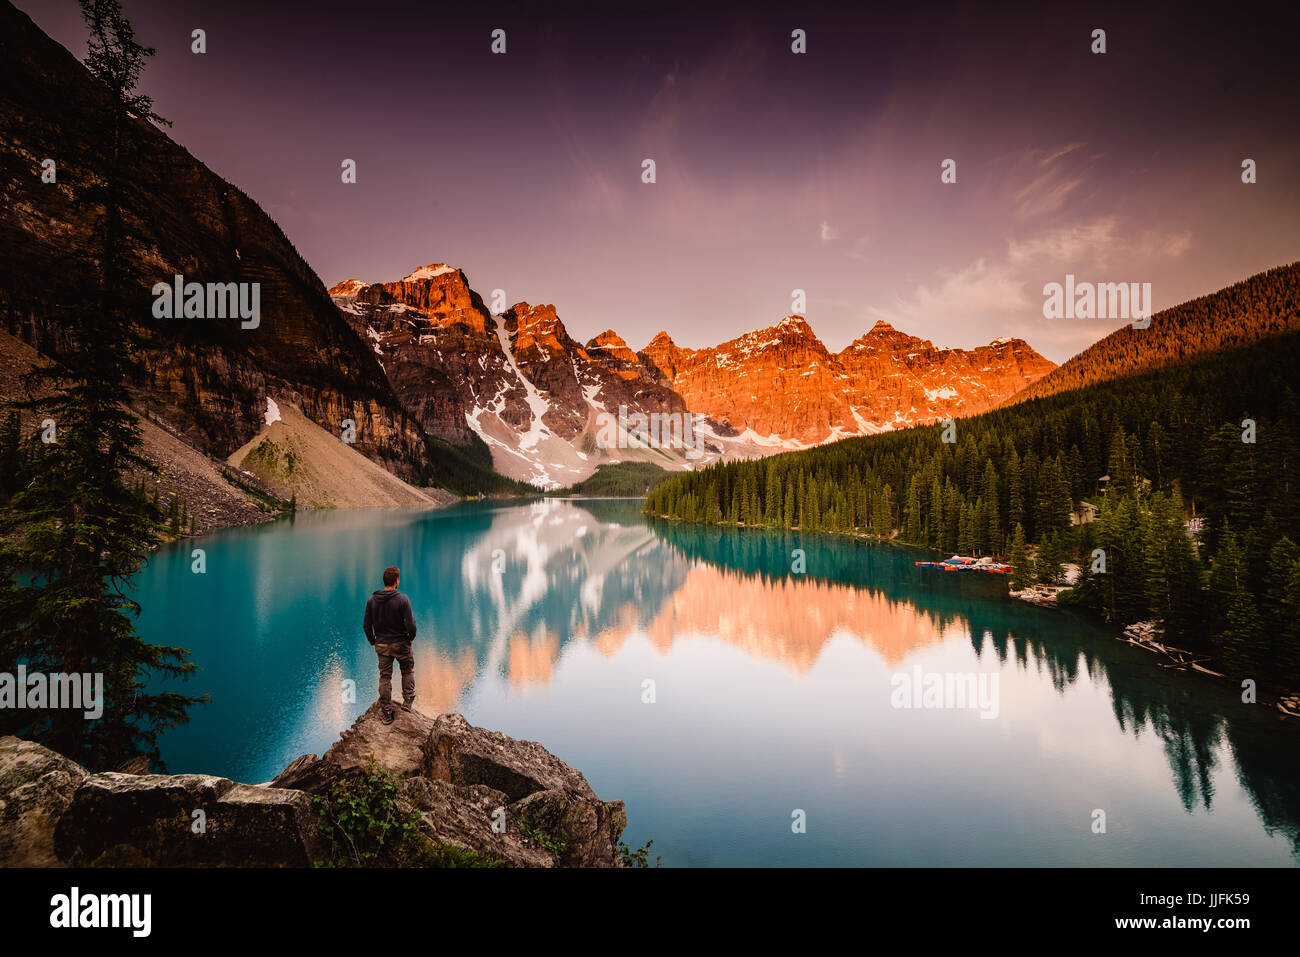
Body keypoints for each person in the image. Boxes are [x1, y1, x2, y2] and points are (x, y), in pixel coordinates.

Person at [362, 565, 416, 724]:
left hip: (382, 645)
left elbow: (366, 625)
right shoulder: (402, 599)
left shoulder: (372, 601)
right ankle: (407, 702)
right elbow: (411, 624)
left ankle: (386, 712)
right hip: (401, 644)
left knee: (385, 677)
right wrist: (410, 638)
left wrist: (373, 641)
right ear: (396, 580)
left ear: (384, 581)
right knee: (407, 670)